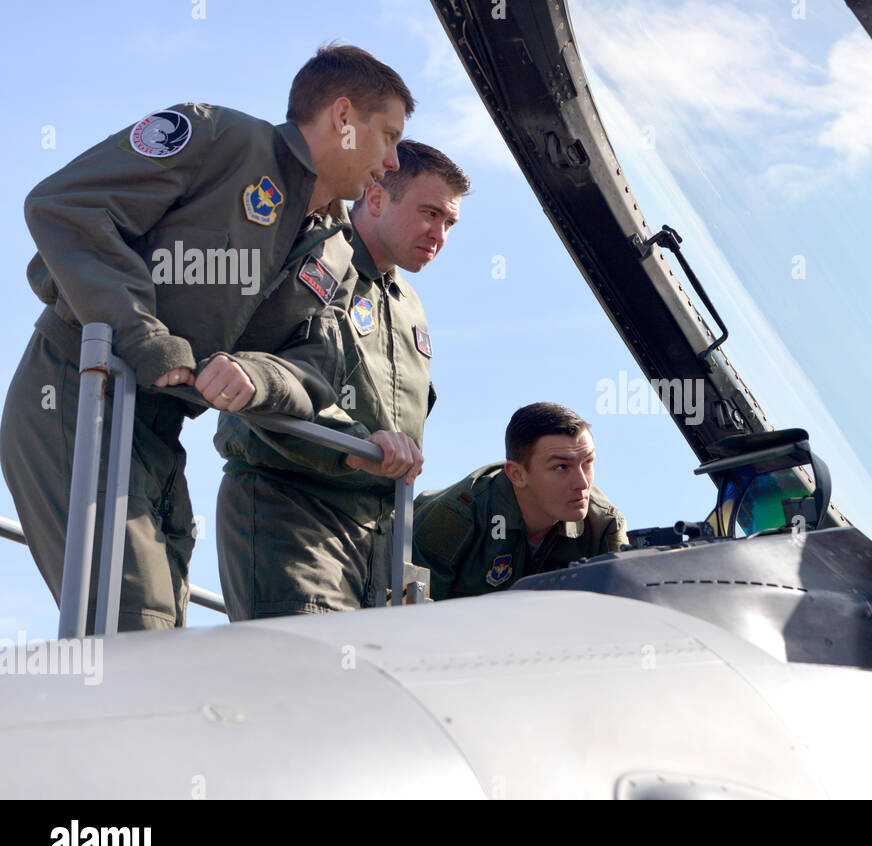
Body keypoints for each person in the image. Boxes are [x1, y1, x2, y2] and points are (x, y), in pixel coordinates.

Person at [0, 44, 415, 632]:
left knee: (167, 634)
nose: (394, 160)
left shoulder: (340, 251)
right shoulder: (216, 138)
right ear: (344, 119)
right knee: (131, 626)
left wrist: (259, 377)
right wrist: (146, 336)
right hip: (76, 393)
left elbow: (317, 366)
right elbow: (66, 206)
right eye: (388, 136)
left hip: (162, 434)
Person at [215, 140, 469, 619]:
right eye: (430, 213)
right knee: (311, 678)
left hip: (380, 537)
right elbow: (262, 369)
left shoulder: (408, 304)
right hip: (294, 513)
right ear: (375, 197)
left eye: (449, 222)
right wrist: (356, 443)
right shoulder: (312, 255)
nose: (439, 234)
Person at [412, 403, 628, 599]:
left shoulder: (602, 525)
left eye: (588, 462)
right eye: (561, 467)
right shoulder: (455, 518)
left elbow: (624, 613)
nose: (582, 483)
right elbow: (411, 618)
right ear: (517, 474)